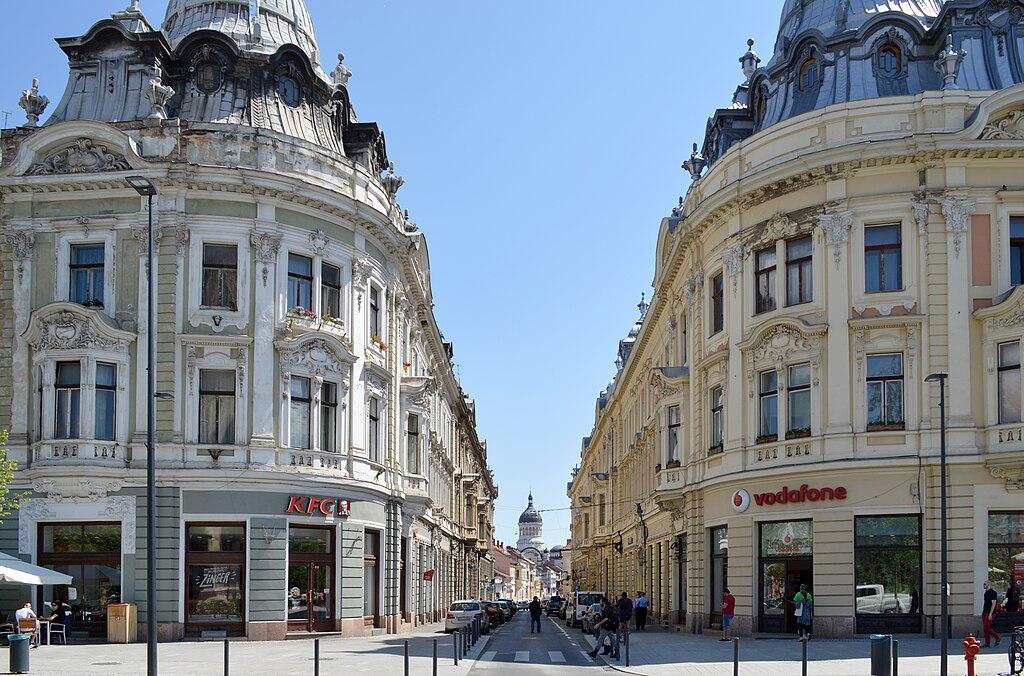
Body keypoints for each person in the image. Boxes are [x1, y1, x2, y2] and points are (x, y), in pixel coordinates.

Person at [587, 597, 620, 661]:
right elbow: (604, 616)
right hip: (610, 626)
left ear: (603, 602)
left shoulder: (607, 608)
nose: (600, 602)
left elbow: (606, 618)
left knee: (601, 639)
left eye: (600, 601)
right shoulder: (605, 608)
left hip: (607, 626)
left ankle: (595, 652)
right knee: (613, 639)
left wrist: (598, 624)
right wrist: (599, 615)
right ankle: (617, 653)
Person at [982, 580, 1001, 648]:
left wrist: (990, 613)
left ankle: (997, 637)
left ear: (989, 584)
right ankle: (987, 643)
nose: (983, 585)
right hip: (984, 612)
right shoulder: (986, 592)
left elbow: (994, 603)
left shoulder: (993, 593)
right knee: (985, 628)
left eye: (985, 584)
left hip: (990, 613)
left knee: (987, 627)